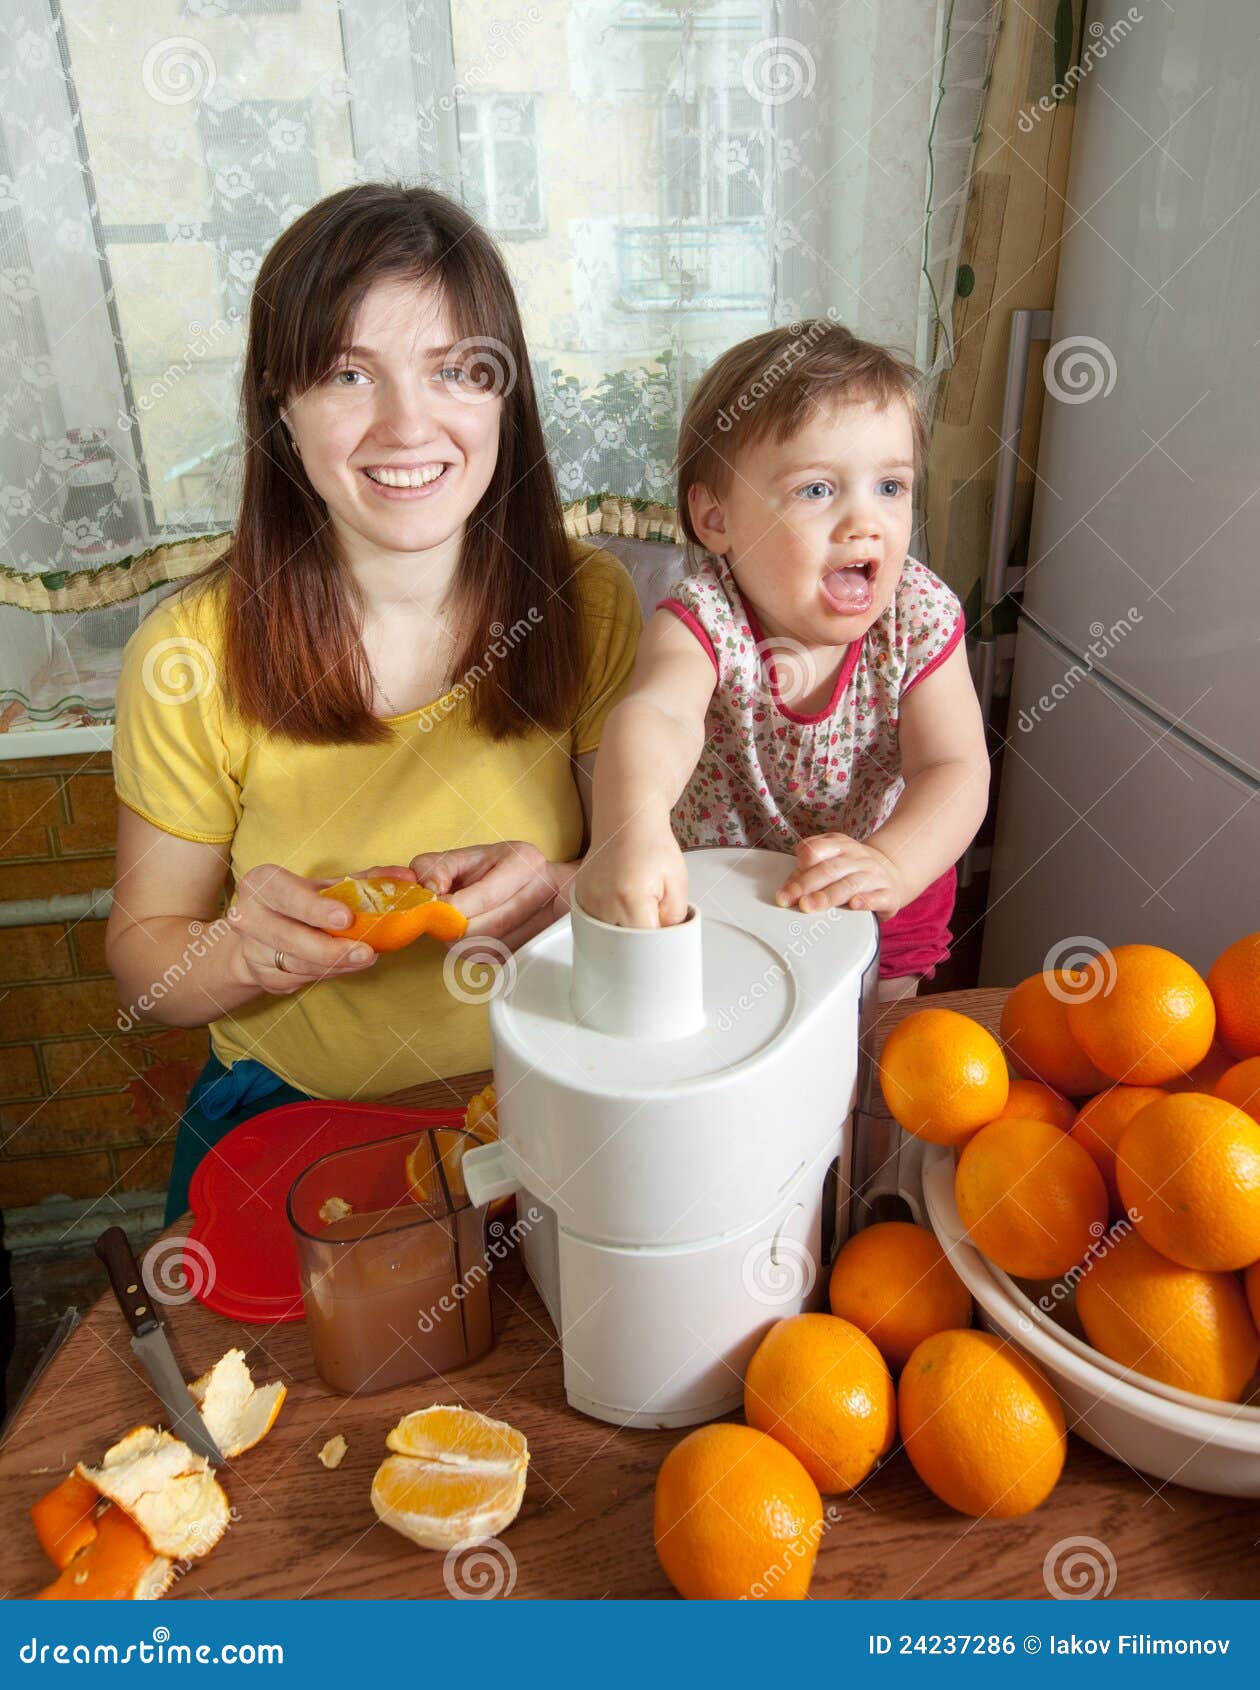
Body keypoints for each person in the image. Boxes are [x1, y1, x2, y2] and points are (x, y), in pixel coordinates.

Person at [107, 185, 641, 1223]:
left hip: (546, 1085)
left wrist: (562, 888)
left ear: (505, 398)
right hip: (290, 1112)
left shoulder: (588, 604)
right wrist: (242, 953)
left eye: (455, 371)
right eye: (350, 374)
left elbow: (638, 886)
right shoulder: (185, 656)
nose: (408, 425)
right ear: (281, 407)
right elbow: (144, 966)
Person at [576, 322, 989, 998]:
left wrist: (892, 861)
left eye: (891, 487)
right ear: (717, 521)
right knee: (739, 1020)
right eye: (818, 490)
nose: (866, 522)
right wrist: (632, 825)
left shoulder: (918, 615)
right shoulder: (704, 617)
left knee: (875, 1050)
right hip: (729, 887)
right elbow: (658, 715)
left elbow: (954, 767)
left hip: (882, 878)